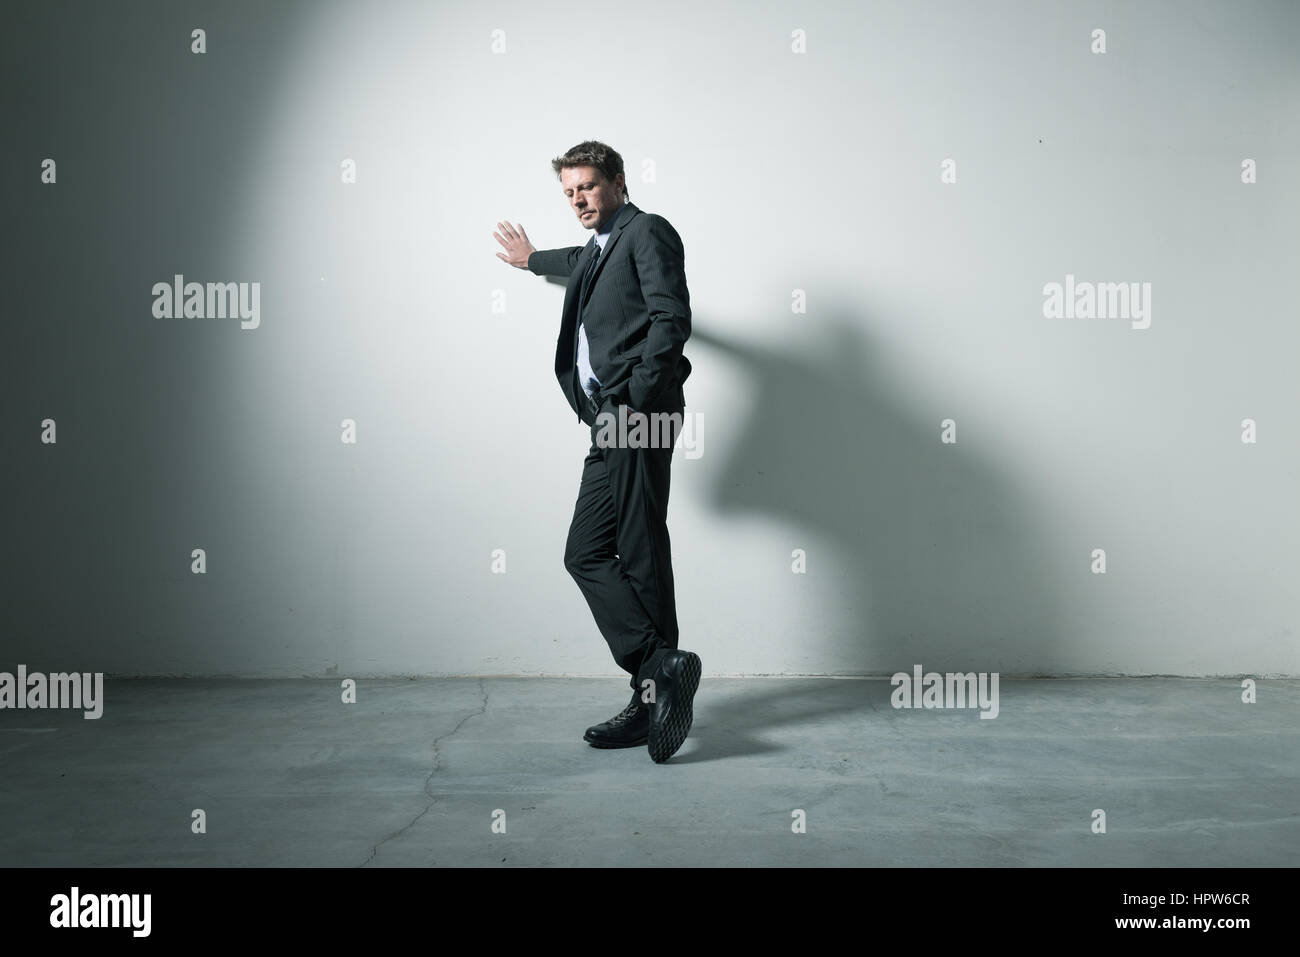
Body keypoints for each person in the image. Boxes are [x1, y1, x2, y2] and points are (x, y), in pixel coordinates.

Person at [493, 140, 701, 763]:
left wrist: (634, 398)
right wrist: (531, 260)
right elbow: (572, 259)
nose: (577, 199)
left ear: (616, 180)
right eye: (568, 192)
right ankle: (658, 670)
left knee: (639, 546)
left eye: (586, 186)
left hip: (636, 414)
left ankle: (654, 685)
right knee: (585, 552)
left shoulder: (649, 232)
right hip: (608, 420)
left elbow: (671, 320)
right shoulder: (597, 249)